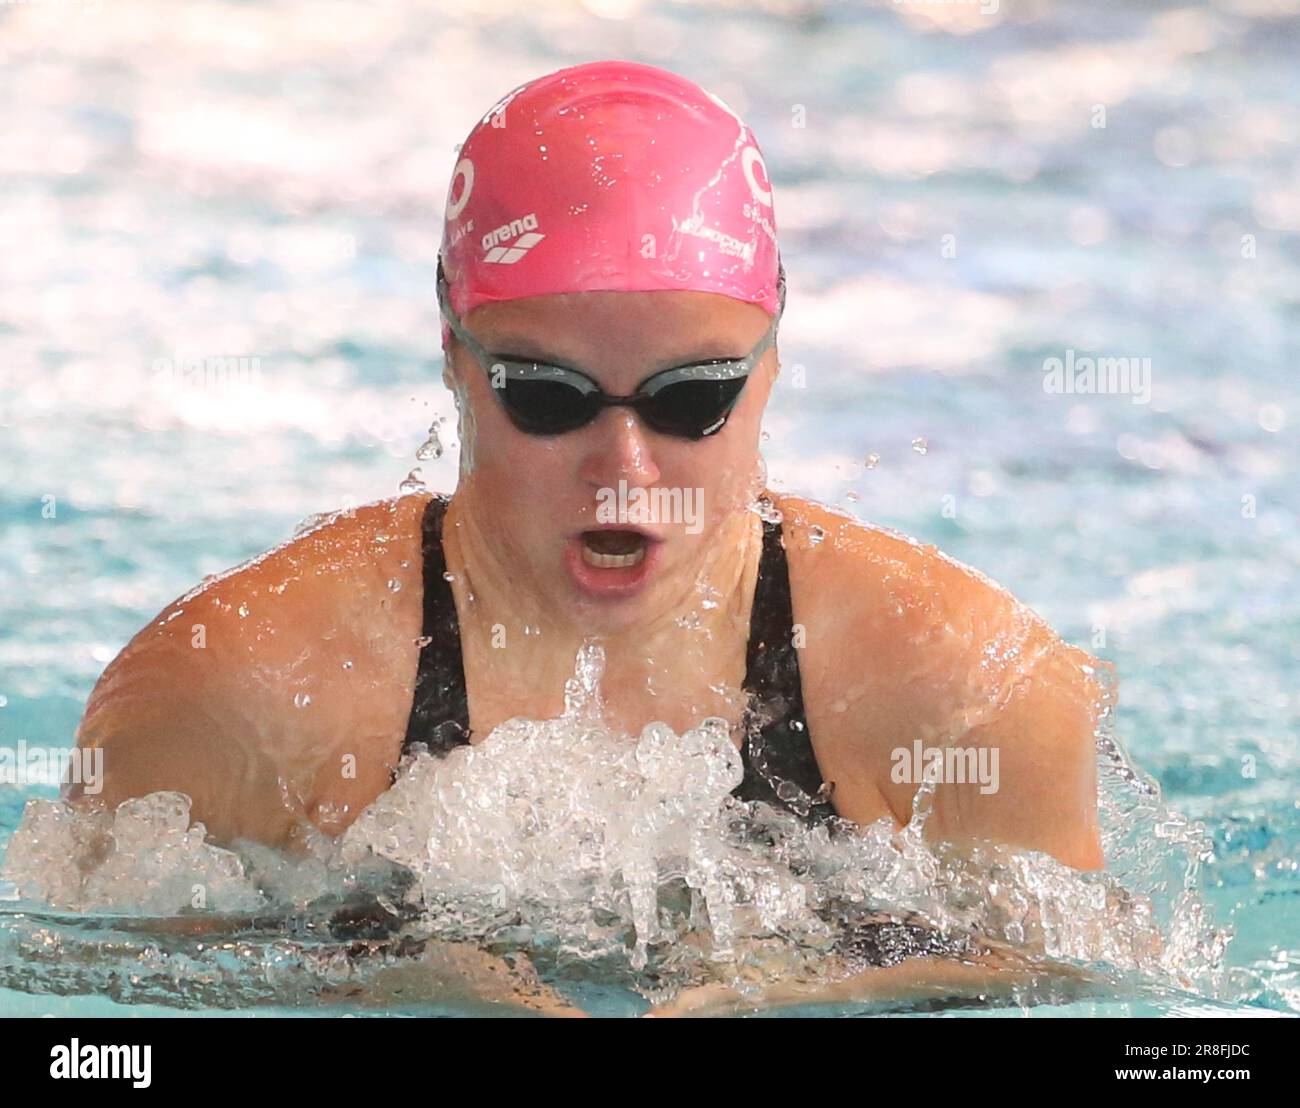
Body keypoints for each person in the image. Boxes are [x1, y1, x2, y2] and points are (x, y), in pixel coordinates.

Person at [69, 59, 1105, 878]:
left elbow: (1108, 1004)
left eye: (691, 398)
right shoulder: (237, 692)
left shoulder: (963, 694)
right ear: (451, 353)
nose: (623, 465)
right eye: (549, 397)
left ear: (773, 360)